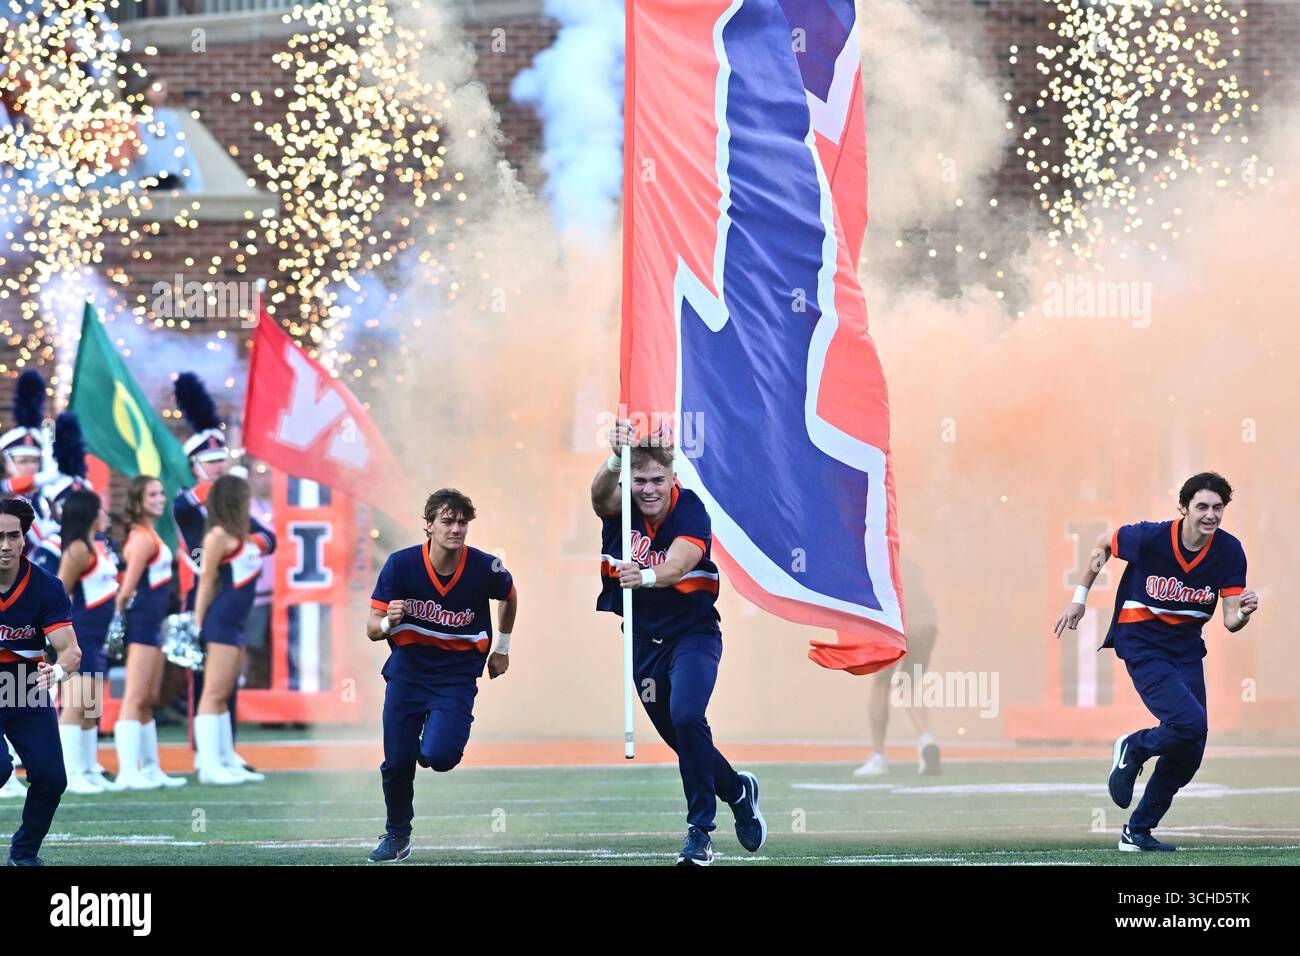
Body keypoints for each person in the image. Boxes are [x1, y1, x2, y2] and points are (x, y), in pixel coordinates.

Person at [1055, 472, 1259, 852]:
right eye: (1202, 506)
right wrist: (1079, 598)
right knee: (1189, 721)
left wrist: (1245, 612)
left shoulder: (1230, 551)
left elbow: (1231, 621)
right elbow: (1104, 544)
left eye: (1217, 507)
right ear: (1182, 508)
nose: (1210, 515)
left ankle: (1137, 832)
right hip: (1142, 641)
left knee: (1191, 751)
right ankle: (1134, 748)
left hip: (1185, 648)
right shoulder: (1150, 537)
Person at [591, 420, 765, 866]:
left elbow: (678, 563)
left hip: (693, 635)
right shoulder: (621, 506)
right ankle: (736, 790)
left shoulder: (690, 509)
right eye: (640, 479)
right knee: (679, 735)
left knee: (688, 716)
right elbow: (598, 497)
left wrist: (645, 576)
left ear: (672, 478)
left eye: (657, 480)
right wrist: (614, 457)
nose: (648, 489)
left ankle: (700, 832)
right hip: (642, 643)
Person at [365, 488, 517, 864]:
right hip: (408, 673)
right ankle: (397, 834)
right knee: (397, 763)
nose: (456, 528)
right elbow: (371, 628)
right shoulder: (401, 565)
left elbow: (510, 595)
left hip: (455, 676)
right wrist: (389, 620)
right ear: (428, 526)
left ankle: (428, 740)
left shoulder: (485, 567)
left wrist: (502, 648)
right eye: (447, 521)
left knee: (441, 755)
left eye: (462, 522)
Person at [0, 497, 82, 865]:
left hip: (26, 686)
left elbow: (71, 651)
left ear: (24, 538)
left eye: (13, 536)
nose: (5, 545)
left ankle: (24, 854)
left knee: (51, 777)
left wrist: (58, 672)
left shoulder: (46, 586)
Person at [192, 474, 275, 785]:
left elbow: (271, 542)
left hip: (237, 620)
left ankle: (225, 759)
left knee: (225, 692)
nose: (249, 503)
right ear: (234, 500)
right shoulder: (216, 536)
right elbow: (207, 582)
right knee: (212, 693)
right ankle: (209, 765)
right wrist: (198, 625)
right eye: (244, 498)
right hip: (222, 620)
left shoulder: (242, 534)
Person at [113, 475, 185, 790]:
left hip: (155, 622)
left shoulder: (152, 534)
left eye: (161, 493)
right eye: (152, 494)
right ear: (138, 500)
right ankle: (127, 771)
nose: (159, 498)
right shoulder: (141, 538)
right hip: (142, 622)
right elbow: (126, 590)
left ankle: (151, 767)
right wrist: (116, 624)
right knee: (134, 695)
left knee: (149, 697)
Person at [54, 490, 122, 794]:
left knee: (90, 707)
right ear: (89, 513)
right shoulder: (78, 549)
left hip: (96, 636)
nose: (106, 515)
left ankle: (85, 767)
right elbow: (58, 592)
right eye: (101, 510)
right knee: (75, 704)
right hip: (79, 634)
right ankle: (68, 772)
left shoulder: (98, 547)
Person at [853, 558, 941, 776]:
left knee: (881, 685)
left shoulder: (873, 557)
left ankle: (878, 756)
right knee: (909, 686)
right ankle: (925, 739)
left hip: (896, 621)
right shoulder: (910, 561)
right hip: (926, 623)